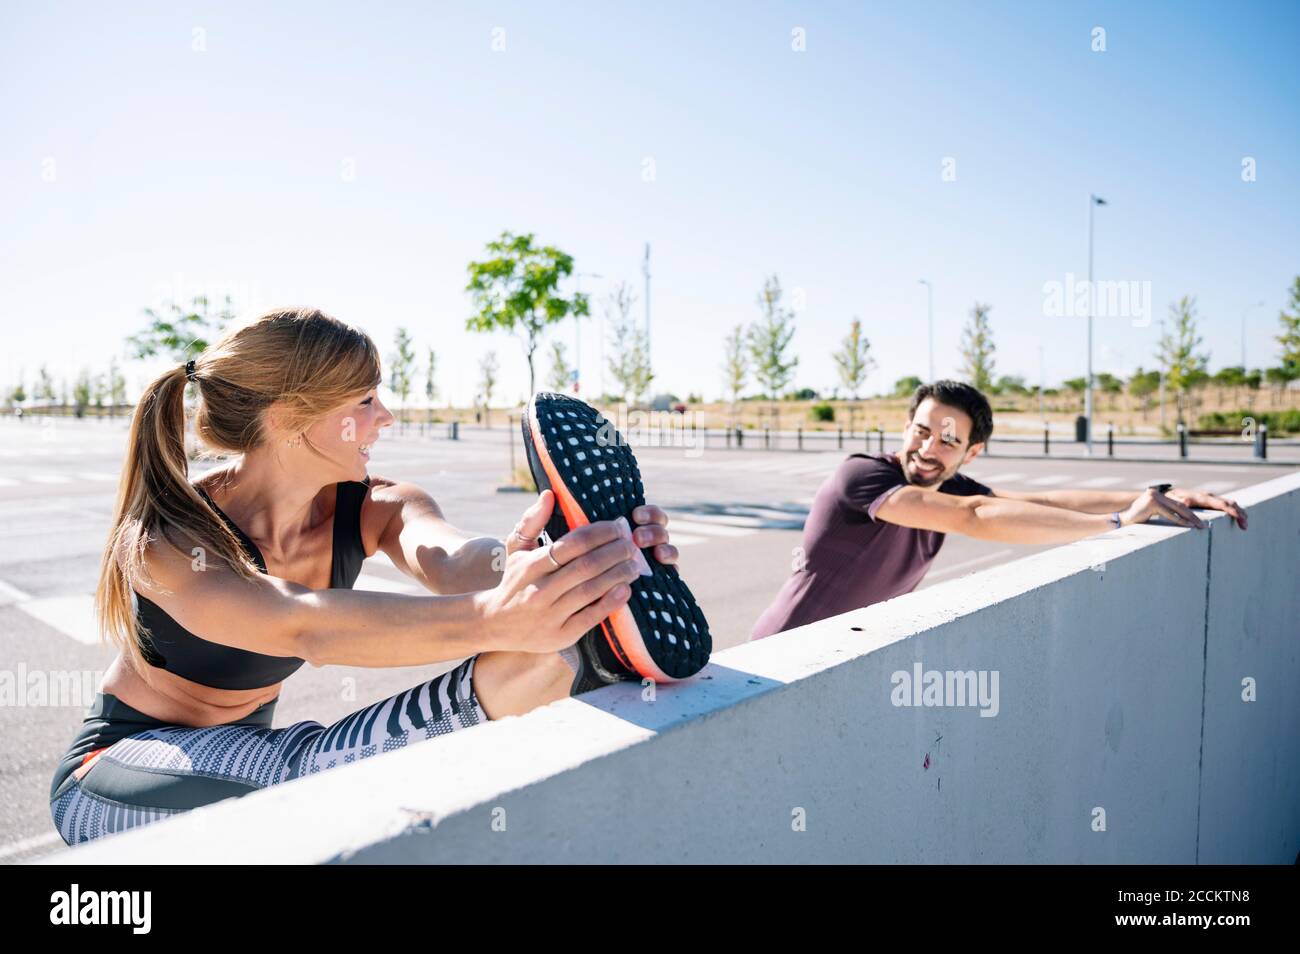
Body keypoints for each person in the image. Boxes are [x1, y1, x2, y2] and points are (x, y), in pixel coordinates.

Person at [49, 308, 681, 846]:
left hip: (249, 761)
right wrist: (497, 613)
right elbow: (301, 625)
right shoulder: (169, 538)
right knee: (312, 776)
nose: (386, 417)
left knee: (529, 658)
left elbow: (452, 560)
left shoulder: (374, 504)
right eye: (365, 401)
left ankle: (590, 652)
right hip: (118, 771)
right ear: (291, 417)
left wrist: (541, 561)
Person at [750, 379, 1249, 641]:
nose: (928, 448)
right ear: (906, 428)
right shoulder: (862, 477)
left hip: (840, 652)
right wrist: (1117, 523)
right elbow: (972, 516)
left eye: (948, 440)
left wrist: (1165, 493)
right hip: (783, 651)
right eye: (921, 431)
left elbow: (1041, 502)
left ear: (971, 452)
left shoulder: (955, 485)